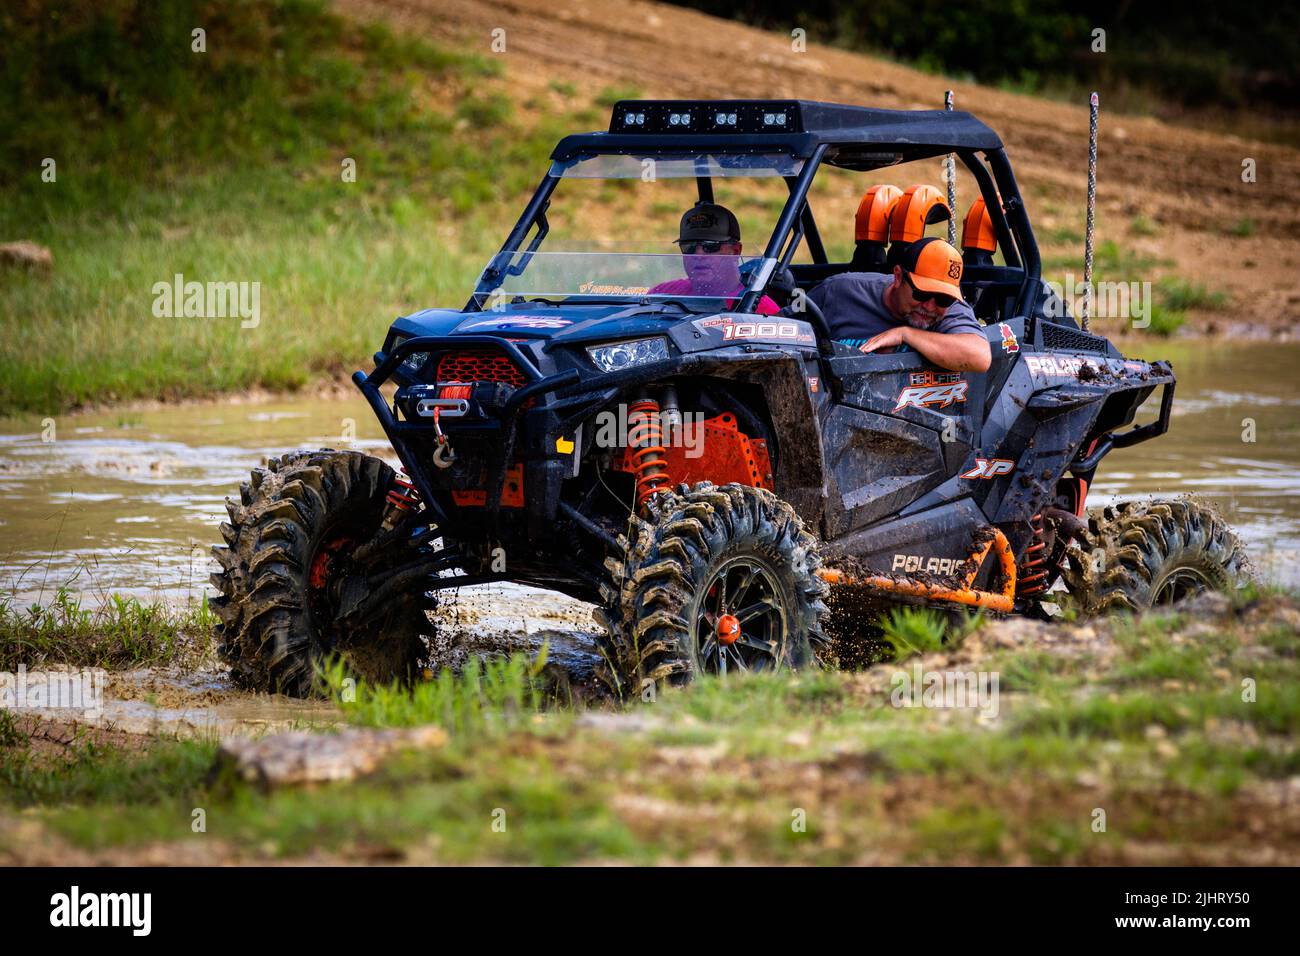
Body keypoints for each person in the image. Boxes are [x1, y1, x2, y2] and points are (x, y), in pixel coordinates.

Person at [809, 236, 991, 372]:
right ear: (897, 276)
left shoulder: (951, 309)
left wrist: (905, 335)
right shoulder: (837, 291)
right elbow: (781, 333)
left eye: (943, 299)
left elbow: (980, 356)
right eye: (922, 293)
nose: (929, 306)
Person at [649, 202, 780, 315]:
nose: (698, 255)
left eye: (710, 247)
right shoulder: (663, 293)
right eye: (689, 247)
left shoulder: (760, 309)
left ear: (735, 251)